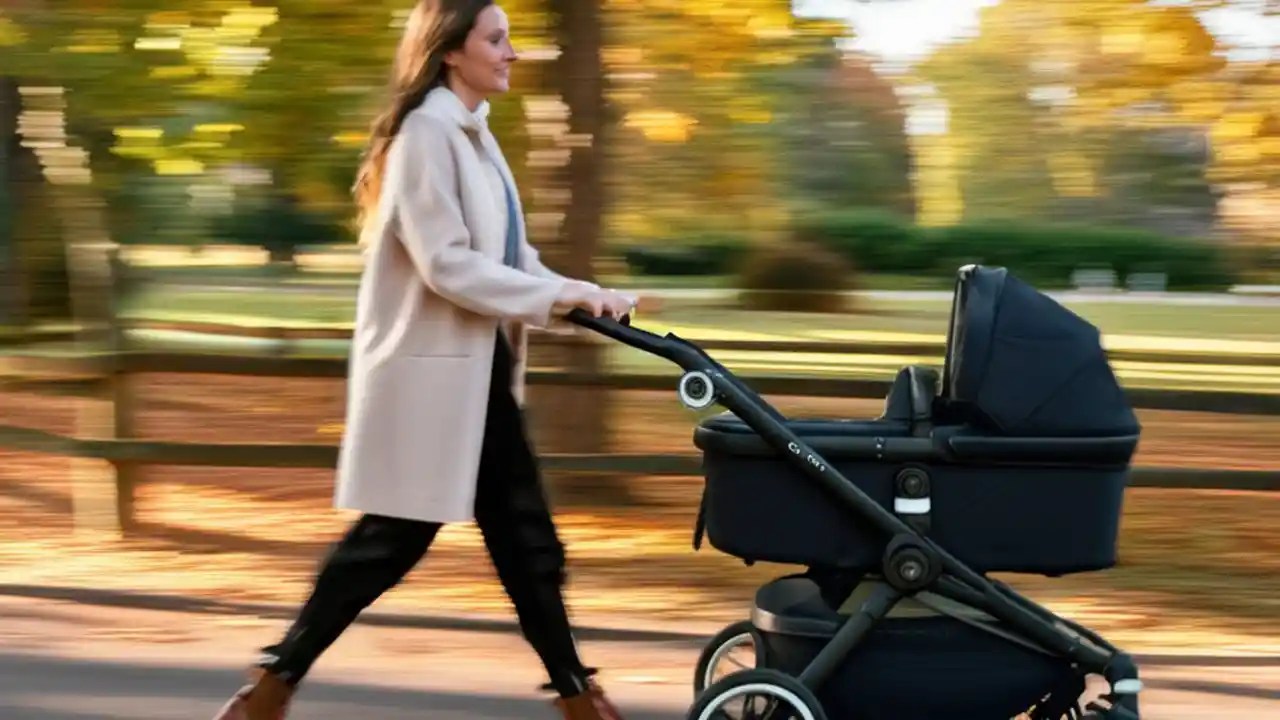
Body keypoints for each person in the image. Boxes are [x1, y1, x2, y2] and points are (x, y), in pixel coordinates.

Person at [211, 2, 636, 719]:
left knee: (490, 539)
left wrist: (582, 294)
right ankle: (576, 698)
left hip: (478, 369)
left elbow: (509, 258)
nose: (513, 52)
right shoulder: (426, 135)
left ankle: (274, 685)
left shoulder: (476, 137)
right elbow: (448, 266)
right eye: (496, 40)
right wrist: (561, 296)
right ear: (450, 51)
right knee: (444, 539)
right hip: (439, 374)